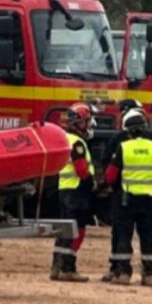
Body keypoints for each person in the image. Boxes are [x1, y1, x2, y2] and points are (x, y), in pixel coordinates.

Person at [103, 108, 152, 287]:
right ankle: (149, 275)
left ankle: (123, 273)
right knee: (148, 237)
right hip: (148, 201)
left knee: (123, 235)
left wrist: (114, 189)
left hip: (125, 200)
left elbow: (110, 176)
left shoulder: (123, 147)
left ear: (128, 130)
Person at [48, 103, 95, 282]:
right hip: (77, 191)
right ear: (79, 123)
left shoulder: (64, 138)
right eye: (86, 122)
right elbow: (81, 169)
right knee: (77, 231)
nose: (88, 126)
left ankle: (56, 267)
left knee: (64, 230)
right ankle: (68, 268)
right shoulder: (78, 143)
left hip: (63, 189)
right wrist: (91, 183)